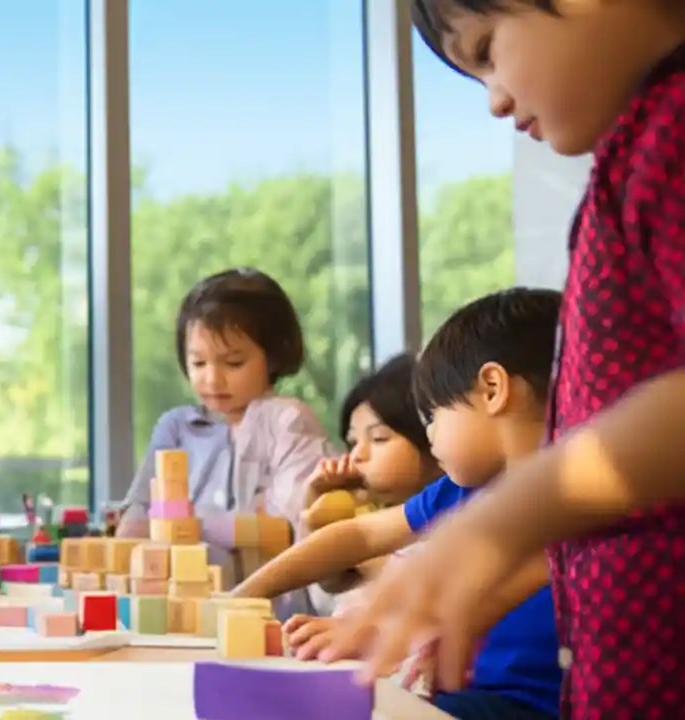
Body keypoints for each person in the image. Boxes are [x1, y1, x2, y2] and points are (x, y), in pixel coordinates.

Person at [324, 4, 685, 717]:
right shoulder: (637, 155)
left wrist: (503, 520)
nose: (493, 100)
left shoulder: (672, 138)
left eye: (488, 50)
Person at [235, 288, 563, 719]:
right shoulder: (462, 490)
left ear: (492, 389)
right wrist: (244, 595)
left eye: (434, 415)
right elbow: (358, 533)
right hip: (470, 698)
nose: (429, 433)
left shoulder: (576, 500)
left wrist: (378, 627)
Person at [115, 267, 333, 616]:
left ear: (274, 355)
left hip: (269, 609)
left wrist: (198, 526)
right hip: (184, 607)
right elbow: (140, 509)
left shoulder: (287, 421)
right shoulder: (176, 427)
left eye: (233, 362)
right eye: (198, 362)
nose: (212, 378)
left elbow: (301, 520)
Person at [284, 353, 444, 657]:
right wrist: (314, 506)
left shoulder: (451, 516)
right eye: (353, 442)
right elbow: (329, 587)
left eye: (379, 438)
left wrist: (339, 537)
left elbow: (407, 574)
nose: (358, 455)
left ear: (434, 438)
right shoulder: (369, 512)